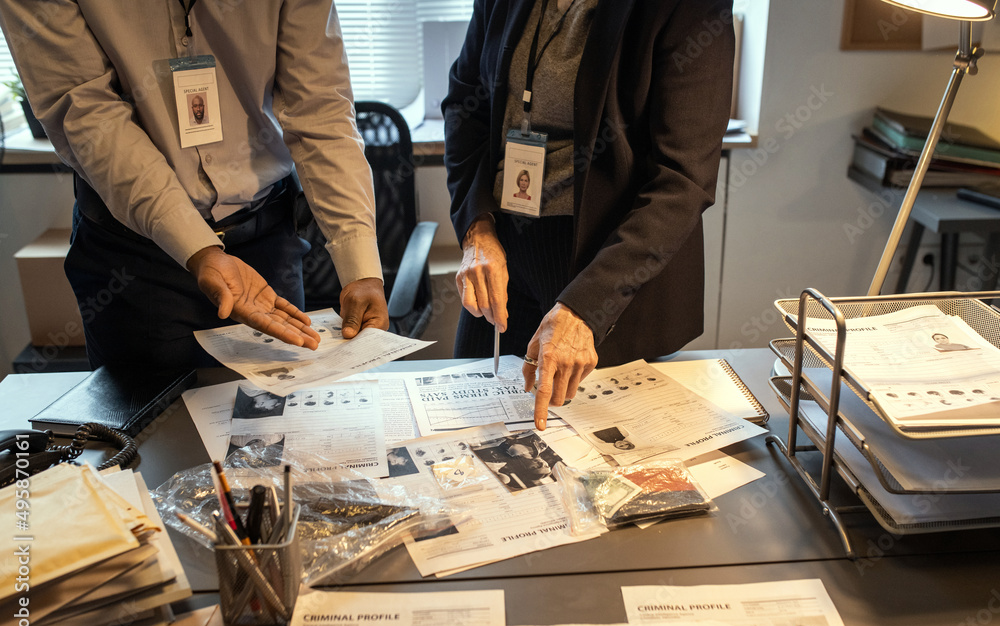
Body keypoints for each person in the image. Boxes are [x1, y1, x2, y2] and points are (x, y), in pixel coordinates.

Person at [0, 1, 388, 370]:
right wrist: (199, 249)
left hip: (267, 245)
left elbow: (321, 110)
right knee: (150, 433)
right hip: (133, 261)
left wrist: (361, 269)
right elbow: (88, 117)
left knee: (275, 426)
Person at [443, 0, 734, 429]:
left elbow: (682, 180)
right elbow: (464, 104)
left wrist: (586, 307)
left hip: (612, 271)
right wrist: (477, 230)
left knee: (602, 474)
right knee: (471, 437)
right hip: (505, 254)